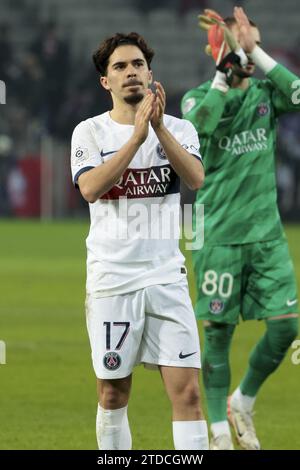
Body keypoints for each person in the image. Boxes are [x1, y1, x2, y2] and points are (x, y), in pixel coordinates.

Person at [71, 32, 208, 450]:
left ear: (150, 74)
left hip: (166, 277)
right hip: (113, 279)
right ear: (105, 82)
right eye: (119, 67)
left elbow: (196, 178)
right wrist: (135, 139)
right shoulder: (89, 133)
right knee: (113, 394)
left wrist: (159, 129)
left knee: (188, 394)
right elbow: (91, 188)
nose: (130, 73)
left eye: (137, 65)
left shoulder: (180, 128)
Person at [181, 7, 299, 450]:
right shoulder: (195, 98)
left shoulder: (267, 94)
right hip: (218, 235)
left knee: (287, 328)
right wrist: (221, 77)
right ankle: (215, 432)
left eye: (253, 39)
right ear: (220, 53)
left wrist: (257, 54)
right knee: (218, 334)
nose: (247, 47)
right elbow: (201, 125)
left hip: (267, 235)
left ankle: (242, 401)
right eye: (239, 42)